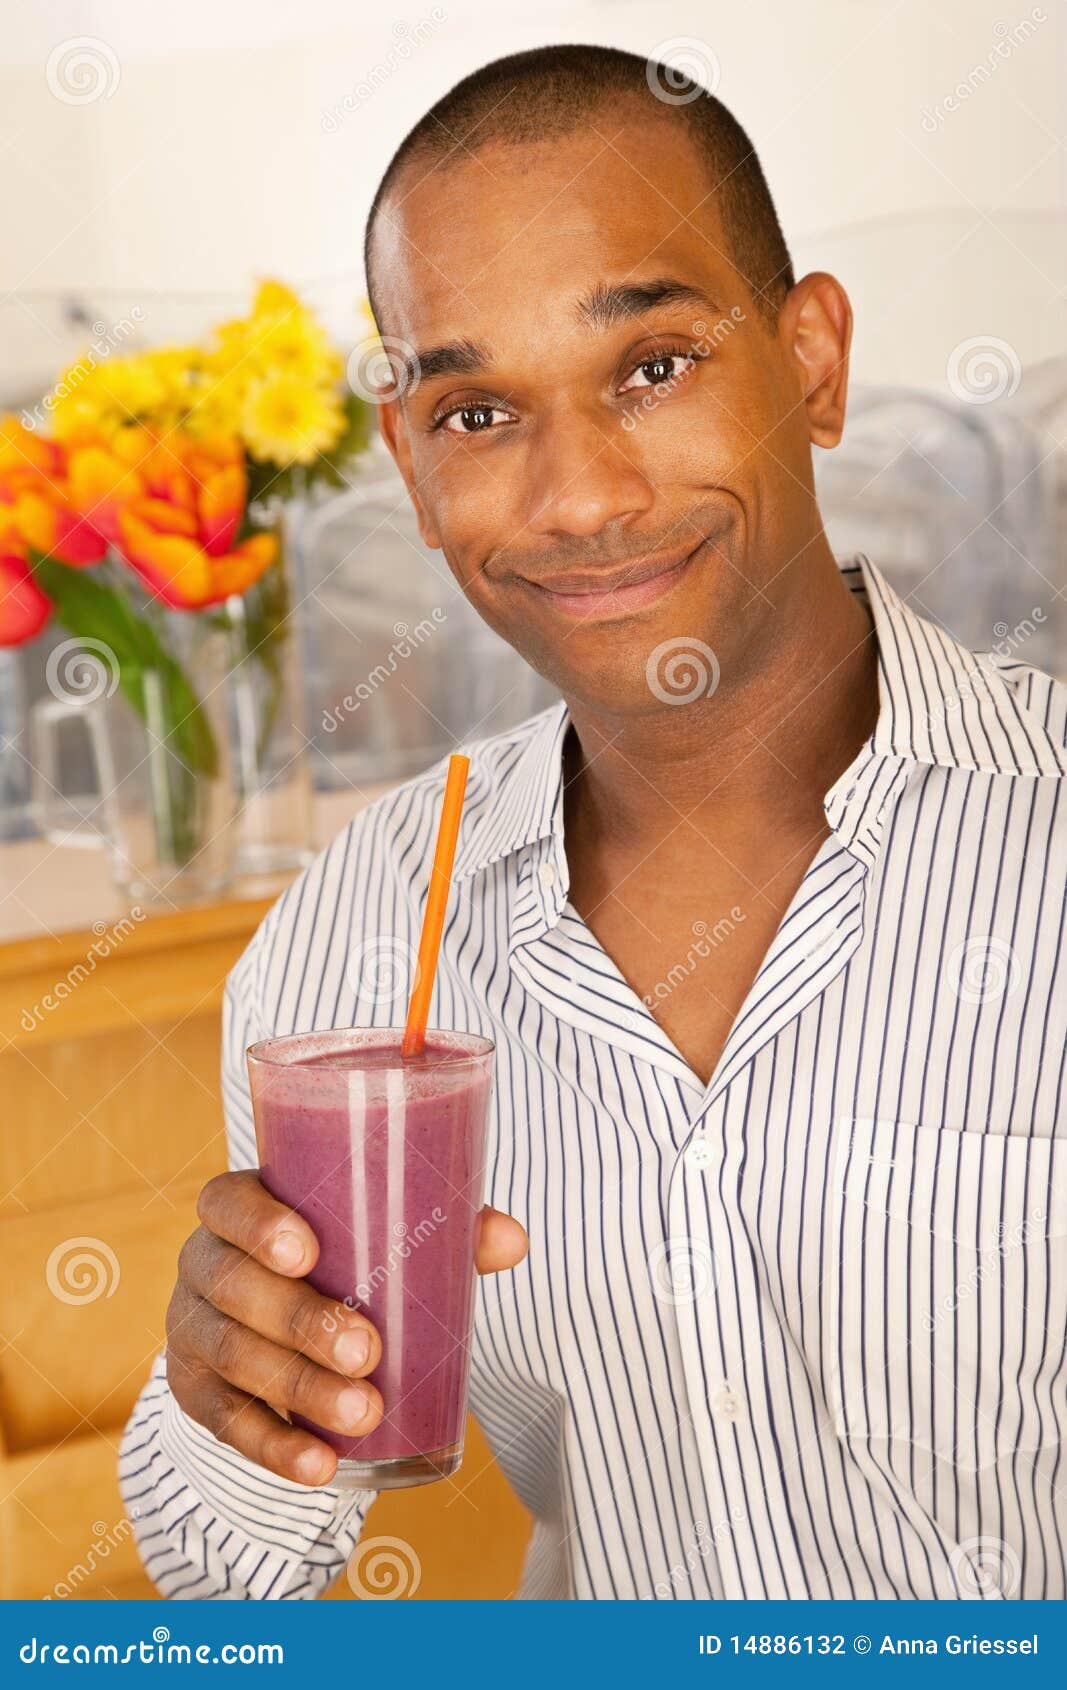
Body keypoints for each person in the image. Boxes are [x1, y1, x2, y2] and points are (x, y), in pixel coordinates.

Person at [120, 43, 1067, 1601]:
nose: (577, 497)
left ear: (814, 363)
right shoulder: (363, 937)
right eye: (480, 411)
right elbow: (229, 1581)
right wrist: (234, 1397)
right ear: (416, 472)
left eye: (652, 368)